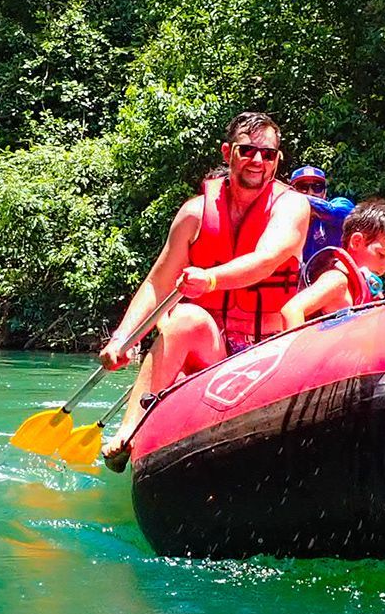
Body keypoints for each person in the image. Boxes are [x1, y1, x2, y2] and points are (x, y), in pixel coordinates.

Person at [98, 112, 312, 462]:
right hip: (213, 353)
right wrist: (124, 338)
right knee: (185, 318)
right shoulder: (194, 214)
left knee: (189, 313)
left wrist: (211, 278)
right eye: (247, 151)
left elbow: (266, 259)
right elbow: (158, 282)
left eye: (268, 154)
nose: (257, 161)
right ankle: (130, 436)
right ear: (228, 153)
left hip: (268, 353)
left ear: (277, 160)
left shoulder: (291, 206)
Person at [280, 200, 385, 329]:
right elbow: (292, 310)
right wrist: (301, 349)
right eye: (381, 254)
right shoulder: (337, 280)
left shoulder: (361, 287)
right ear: (356, 242)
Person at [288, 165, 356, 273]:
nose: (311, 192)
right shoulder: (285, 219)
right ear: (293, 189)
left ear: (324, 192)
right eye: (303, 187)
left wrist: (292, 196)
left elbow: (333, 212)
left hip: (335, 277)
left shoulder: (341, 204)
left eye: (317, 187)